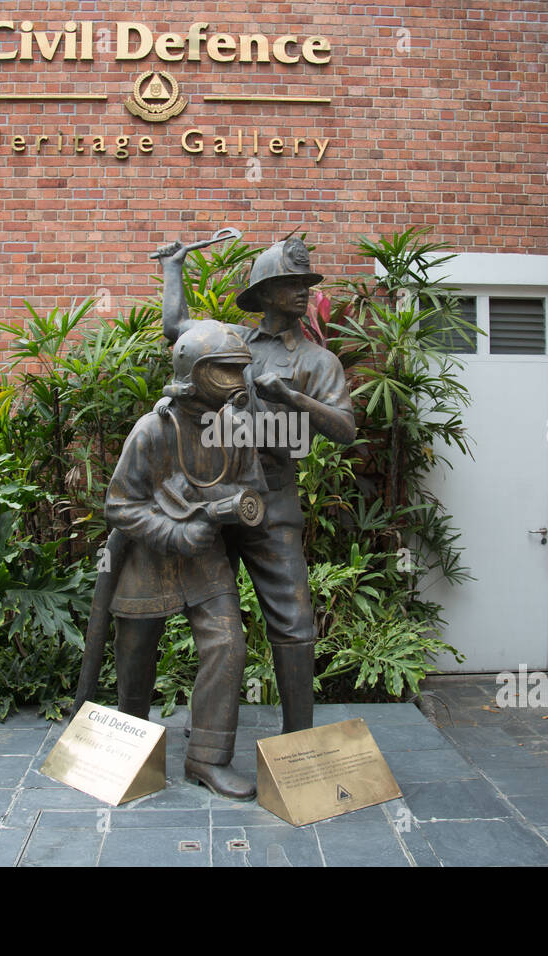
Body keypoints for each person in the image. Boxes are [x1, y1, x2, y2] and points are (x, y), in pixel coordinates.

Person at [159, 234, 356, 735]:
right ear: (264, 293)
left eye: (304, 285)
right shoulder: (233, 341)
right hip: (217, 497)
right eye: (288, 283)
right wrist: (173, 268)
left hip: (273, 500)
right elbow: (177, 329)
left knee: (293, 622)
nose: (301, 292)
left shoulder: (318, 362)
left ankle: (299, 738)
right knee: (211, 618)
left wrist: (293, 400)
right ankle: (209, 725)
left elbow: (345, 430)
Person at [96, 320, 267, 799]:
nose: (238, 384)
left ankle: (208, 759)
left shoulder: (235, 429)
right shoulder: (152, 430)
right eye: (225, 371)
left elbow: (255, 491)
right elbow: (119, 505)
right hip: (147, 560)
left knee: (227, 645)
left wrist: (224, 507)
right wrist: (173, 530)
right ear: (195, 371)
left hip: (205, 560)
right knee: (134, 659)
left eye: (240, 371)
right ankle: (131, 746)